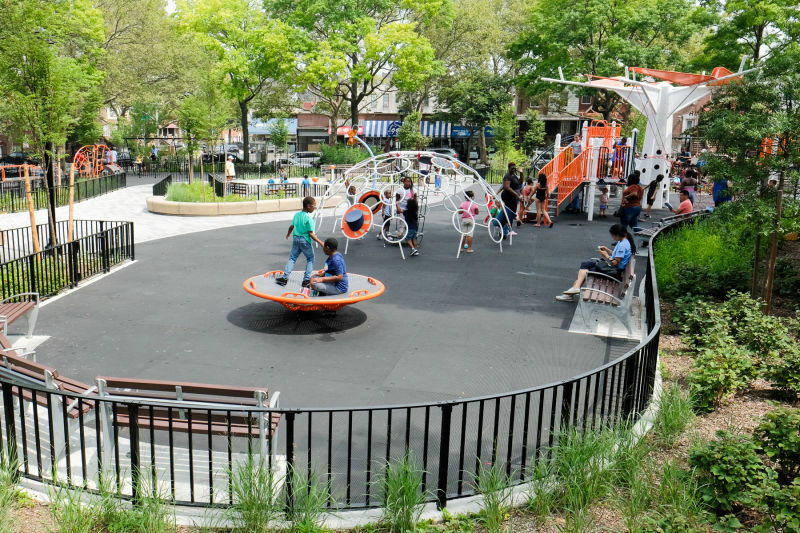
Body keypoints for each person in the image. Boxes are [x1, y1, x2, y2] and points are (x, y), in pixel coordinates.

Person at [555, 223, 635, 301]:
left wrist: (606, 255)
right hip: (612, 268)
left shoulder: (622, 246)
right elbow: (616, 256)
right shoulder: (623, 241)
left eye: (612, 235)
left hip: (613, 272)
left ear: (617, 235)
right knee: (585, 265)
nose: (612, 238)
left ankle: (572, 292)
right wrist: (607, 250)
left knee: (585, 271)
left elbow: (616, 263)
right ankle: (574, 289)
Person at [275, 197, 325, 288]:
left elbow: (291, 226)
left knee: (292, 258)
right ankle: (306, 280)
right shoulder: (309, 219)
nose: (314, 208)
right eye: (314, 206)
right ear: (308, 206)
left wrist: (288, 234)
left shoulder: (297, 215)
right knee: (310, 259)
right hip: (304, 240)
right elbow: (310, 234)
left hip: (296, 239)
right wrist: (320, 242)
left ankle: (285, 278)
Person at [497, 166, 521, 236]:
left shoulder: (515, 177)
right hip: (508, 197)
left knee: (511, 212)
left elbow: (520, 184)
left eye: (514, 168)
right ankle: (504, 228)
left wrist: (521, 173)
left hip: (513, 198)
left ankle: (507, 228)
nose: (514, 169)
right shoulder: (507, 177)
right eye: (512, 168)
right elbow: (504, 187)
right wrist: (516, 195)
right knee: (508, 212)